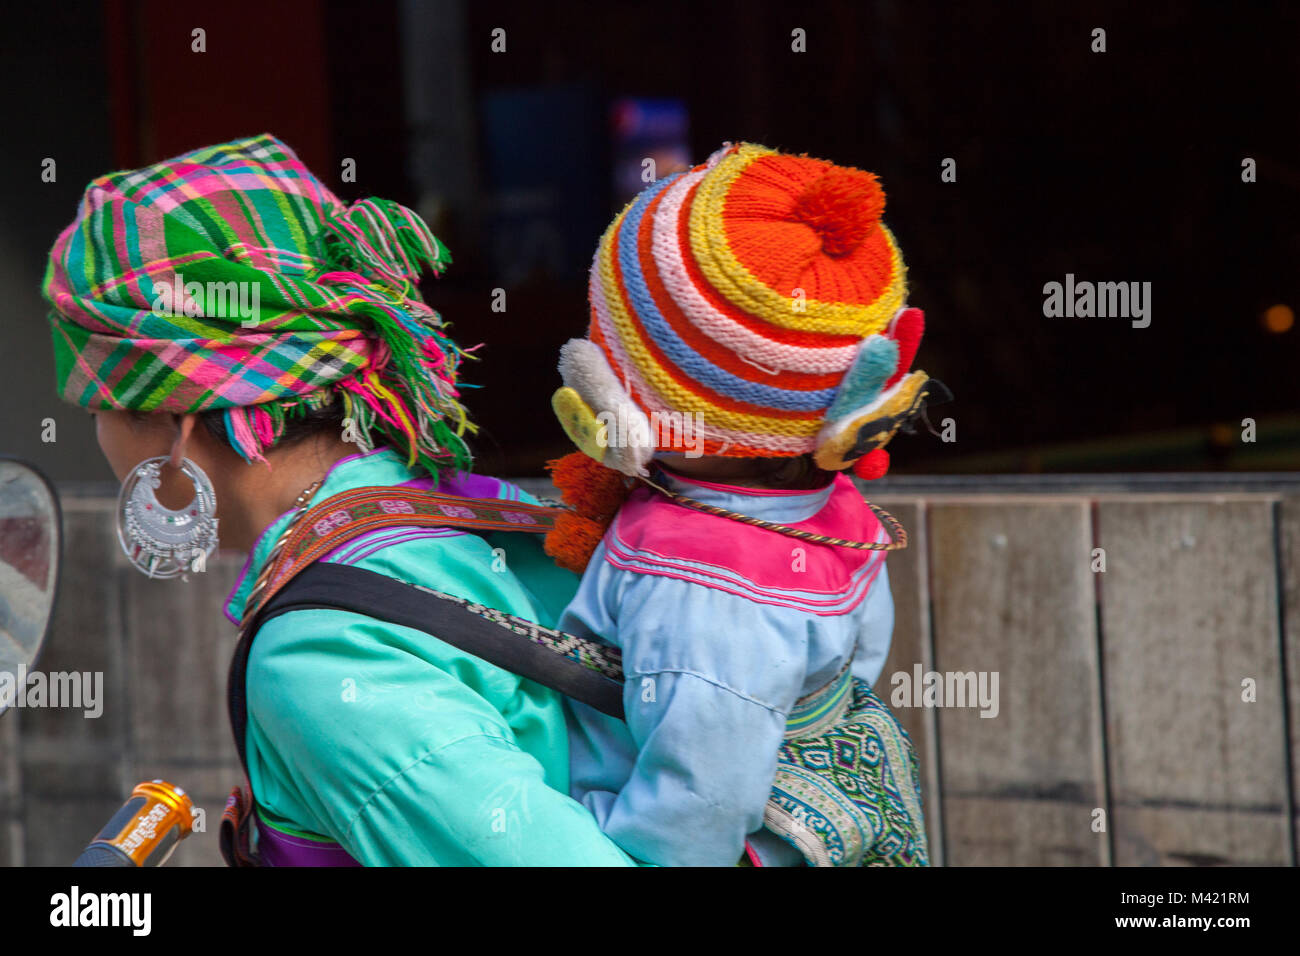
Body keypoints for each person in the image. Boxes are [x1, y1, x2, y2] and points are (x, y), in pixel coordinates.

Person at [42, 133, 635, 866]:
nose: (99, 438)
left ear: (171, 416)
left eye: (93, 406)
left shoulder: (321, 654)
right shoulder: (486, 514)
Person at [543, 142, 935, 866]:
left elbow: (698, 801)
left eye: (606, 337)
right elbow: (858, 663)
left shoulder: (701, 584)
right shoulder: (828, 506)